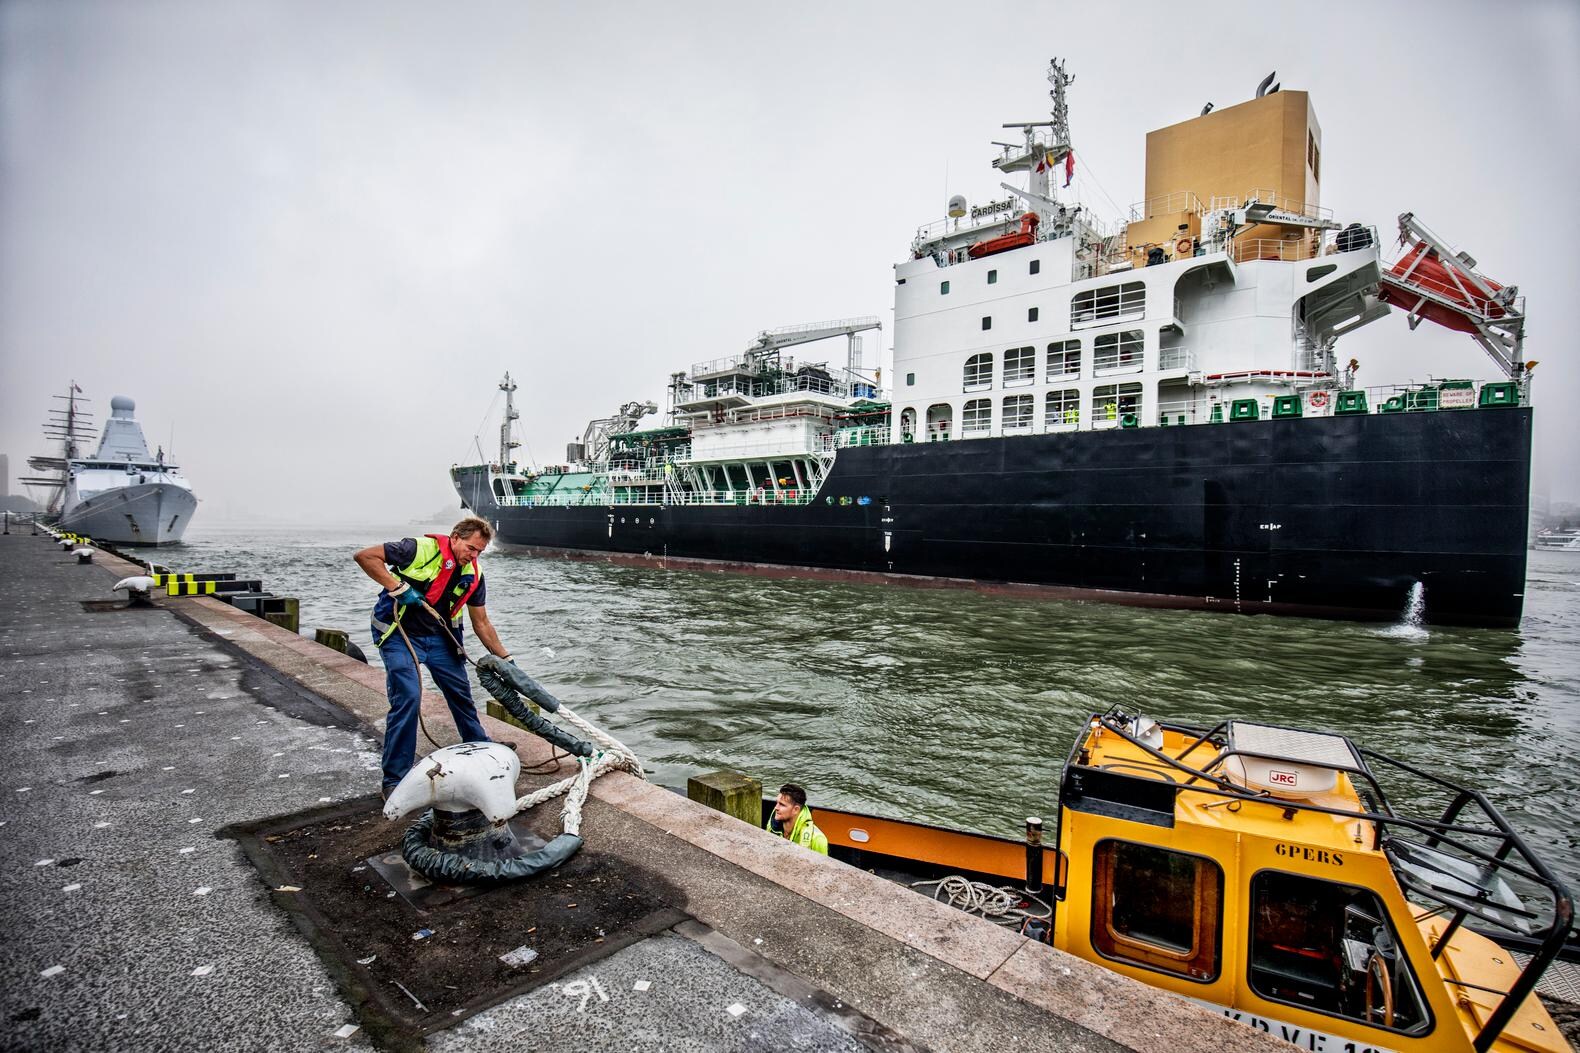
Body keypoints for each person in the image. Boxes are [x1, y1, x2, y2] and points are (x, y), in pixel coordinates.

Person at [354, 516, 514, 798]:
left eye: (479, 551)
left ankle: (479, 746)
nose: (473, 555)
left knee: (461, 694)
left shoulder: (474, 574)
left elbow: (482, 623)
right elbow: (365, 556)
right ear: (454, 537)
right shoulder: (418, 549)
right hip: (399, 635)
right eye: (470, 548)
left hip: (441, 640)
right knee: (408, 697)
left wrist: (506, 660)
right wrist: (397, 587)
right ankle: (395, 778)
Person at [765, 783, 828, 855]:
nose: (776, 808)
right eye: (777, 803)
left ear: (796, 809)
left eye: (782, 804)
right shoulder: (772, 826)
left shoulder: (817, 839)